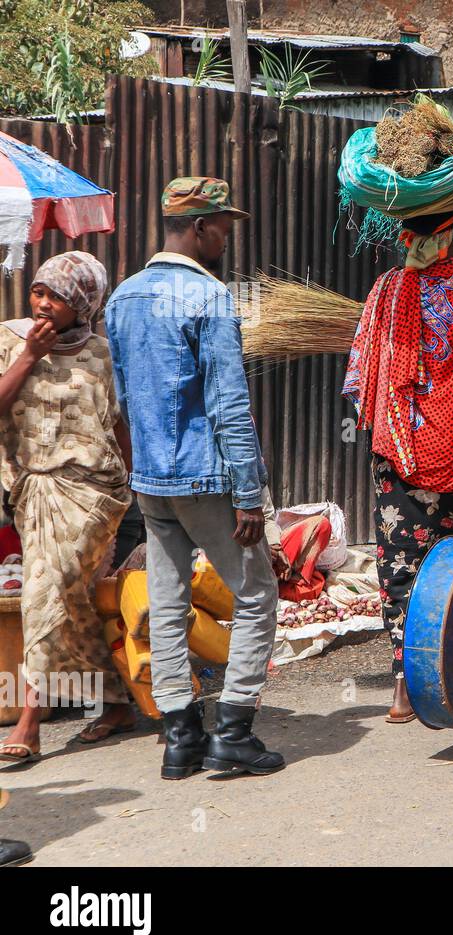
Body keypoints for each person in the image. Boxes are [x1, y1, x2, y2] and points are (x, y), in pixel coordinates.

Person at [104, 177, 283, 780]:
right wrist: (249, 494)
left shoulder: (124, 298)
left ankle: (180, 737)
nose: (228, 237)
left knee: (168, 601)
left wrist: (140, 471)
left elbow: (123, 400)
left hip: (153, 480)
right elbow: (230, 407)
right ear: (201, 228)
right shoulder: (209, 299)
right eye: (224, 227)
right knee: (257, 594)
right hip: (206, 478)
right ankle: (233, 729)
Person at [343, 210, 453, 724]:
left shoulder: (387, 291)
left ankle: (405, 687)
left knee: (402, 566)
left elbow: (361, 376)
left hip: (399, 452)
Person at [0, 253, 134, 767]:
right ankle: (117, 698)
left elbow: (118, 423)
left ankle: (29, 723)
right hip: (33, 490)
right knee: (70, 599)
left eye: (54, 296)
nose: (41, 303)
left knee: (44, 590)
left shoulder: (103, 353)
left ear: (82, 304)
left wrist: (136, 488)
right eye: (37, 291)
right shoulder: (12, 341)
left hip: (94, 494)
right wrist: (29, 356)